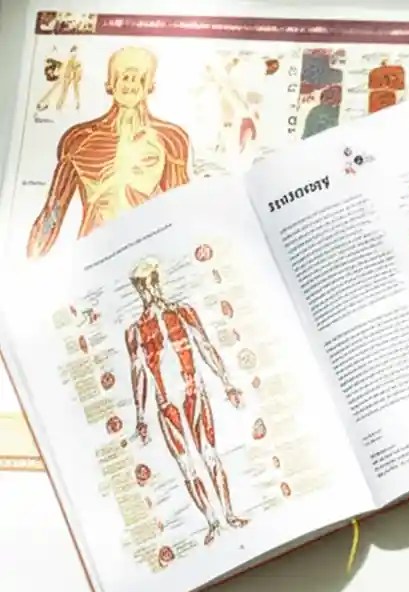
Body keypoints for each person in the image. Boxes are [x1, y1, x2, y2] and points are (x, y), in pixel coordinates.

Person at [125, 259, 247, 546]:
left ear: (158, 280)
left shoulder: (183, 312)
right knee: (186, 466)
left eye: (153, 281)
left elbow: (204, 346)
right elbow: (138, 372)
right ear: (138, 290)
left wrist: (226, 382)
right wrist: (141, 416)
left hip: (194, 393)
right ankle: (212, 522)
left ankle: (229, 514)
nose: (150, 290)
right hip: (166, 404)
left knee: (210, 455)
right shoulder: (135, 331)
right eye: (144, 285)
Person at [27, 46, 190, 258]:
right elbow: (52, 212)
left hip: (149, 255)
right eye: (123, 75)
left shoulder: (171, 139)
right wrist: (29, 266)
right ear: (109, 83)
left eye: (139, 76)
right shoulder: (78, 139)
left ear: (151, 85)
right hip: (94, 258)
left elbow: (182, 209)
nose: (130, 81)